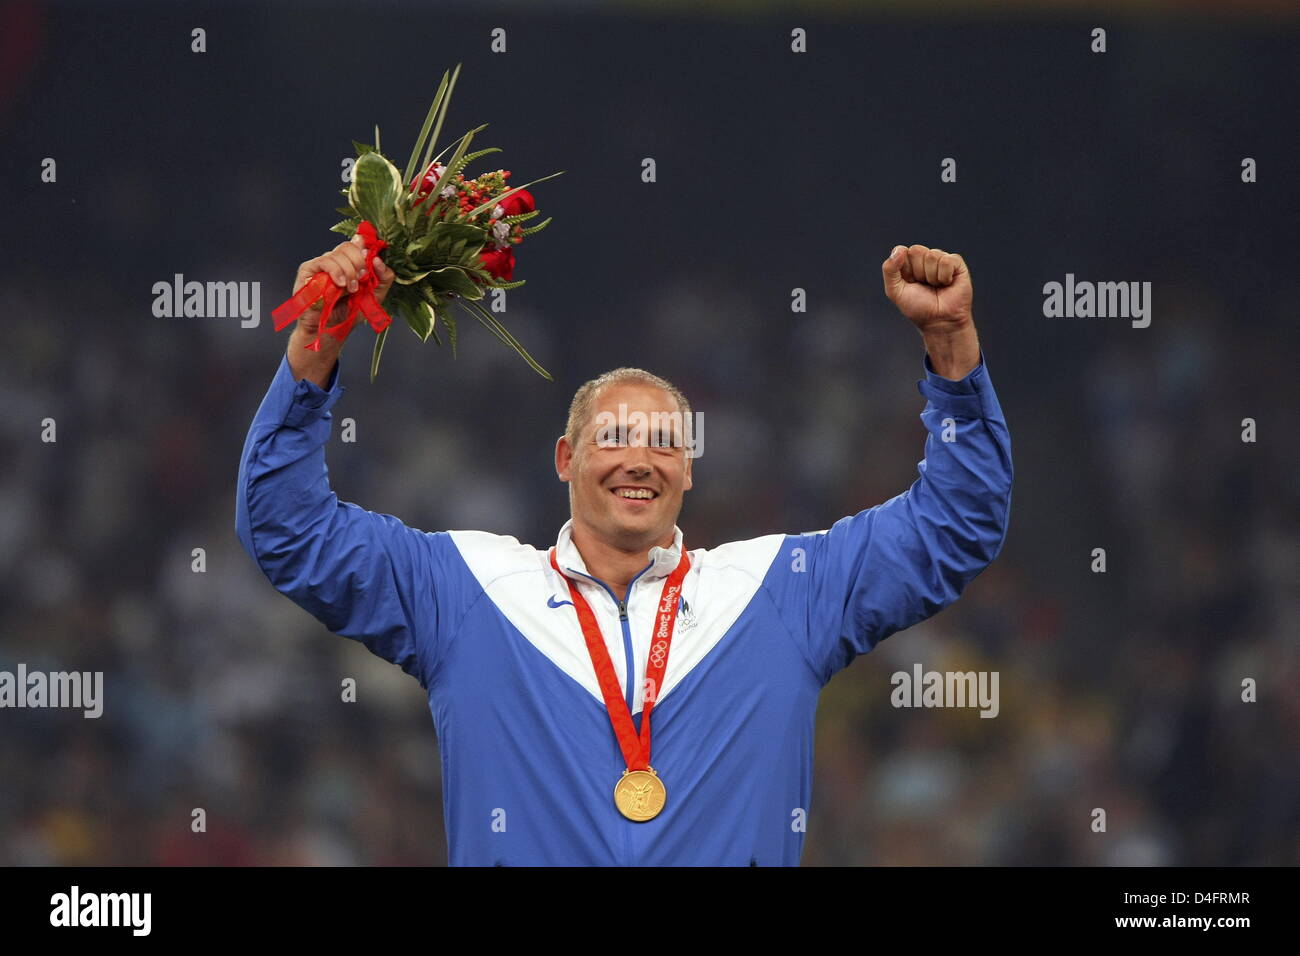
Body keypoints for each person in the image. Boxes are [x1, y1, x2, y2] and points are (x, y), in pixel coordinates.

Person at [235, 237, 1013, 866]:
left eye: (663, 442)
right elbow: (287, 530)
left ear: (688, 468)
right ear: (565, 458)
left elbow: (955, 524)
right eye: (614, 438)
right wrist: (312, 358)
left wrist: (952, 351)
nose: (639, 459)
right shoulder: (467, 589)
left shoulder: (780, 591)